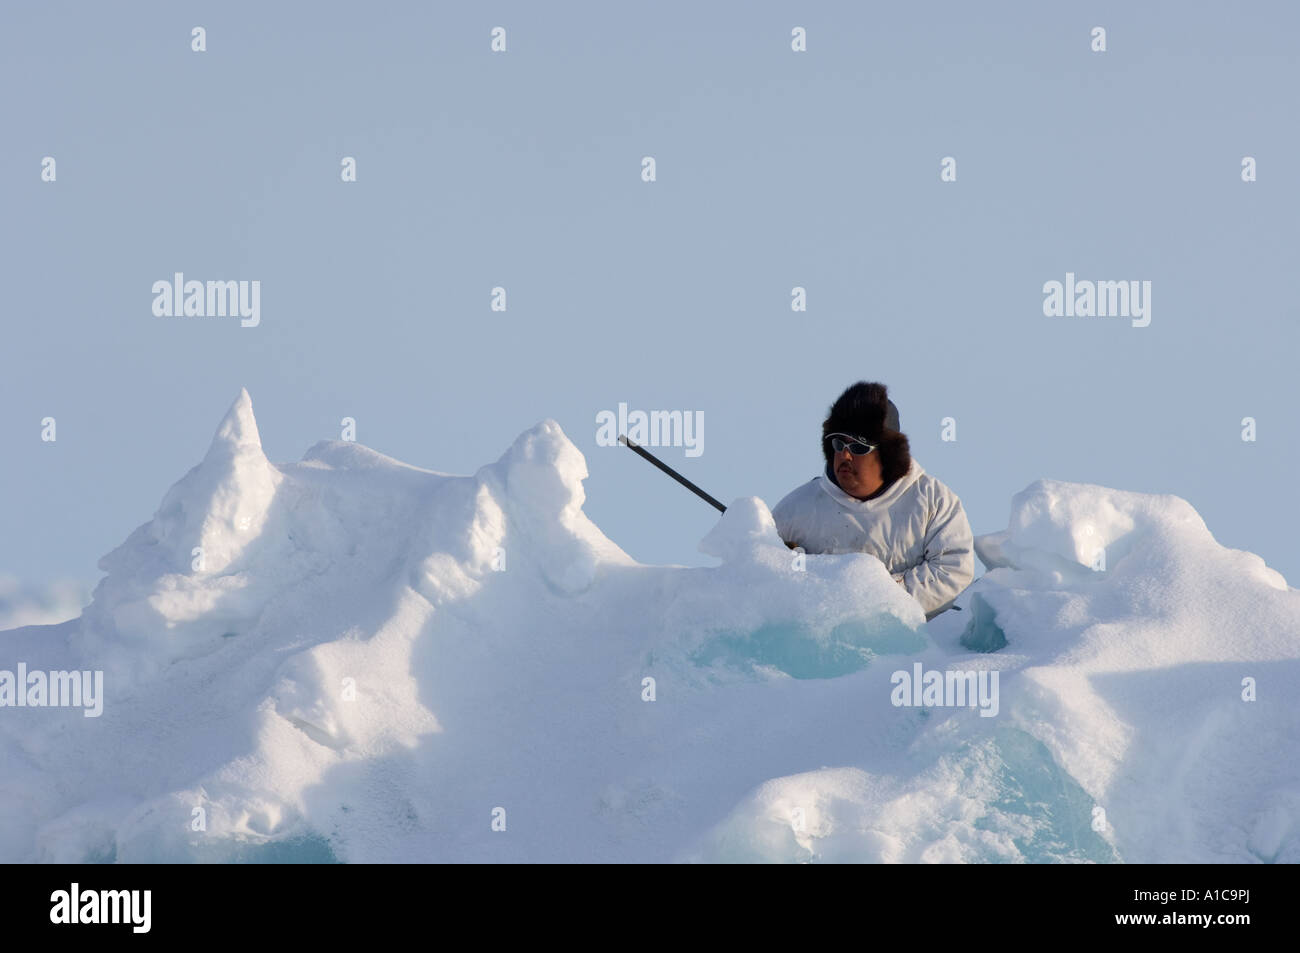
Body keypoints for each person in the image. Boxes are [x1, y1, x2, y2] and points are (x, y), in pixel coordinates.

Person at [772, 381, 974, 620]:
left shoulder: (933, 502)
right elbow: (766, 574)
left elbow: (953, 571)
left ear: (888, 454)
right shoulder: (796, 509)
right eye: (838, 443)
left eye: (857, 447)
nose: (844, 455)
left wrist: (874, 600)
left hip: (918, 650)